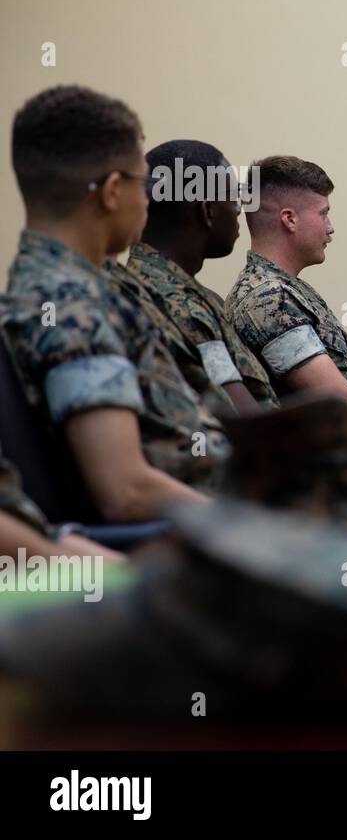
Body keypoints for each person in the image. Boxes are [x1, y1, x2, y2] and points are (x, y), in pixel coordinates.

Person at [3, 85, 223, 522]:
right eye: (144, 183)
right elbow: (126, 490)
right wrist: (260, 524)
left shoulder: (82, 287)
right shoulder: (68, 305)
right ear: (112, 192)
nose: (148, 200)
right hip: (193, 539)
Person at [127, 139, 275, 415]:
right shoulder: (174, 304)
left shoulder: (192, 295)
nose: (239, 210)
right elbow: (245, 421)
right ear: (207, 211)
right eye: (233, 199)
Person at [226, 155, 347, 407]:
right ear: (290, 219)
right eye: (323, 214)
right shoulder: (268, 299)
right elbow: (340, 397)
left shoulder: (289, 289)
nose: (330, 228)